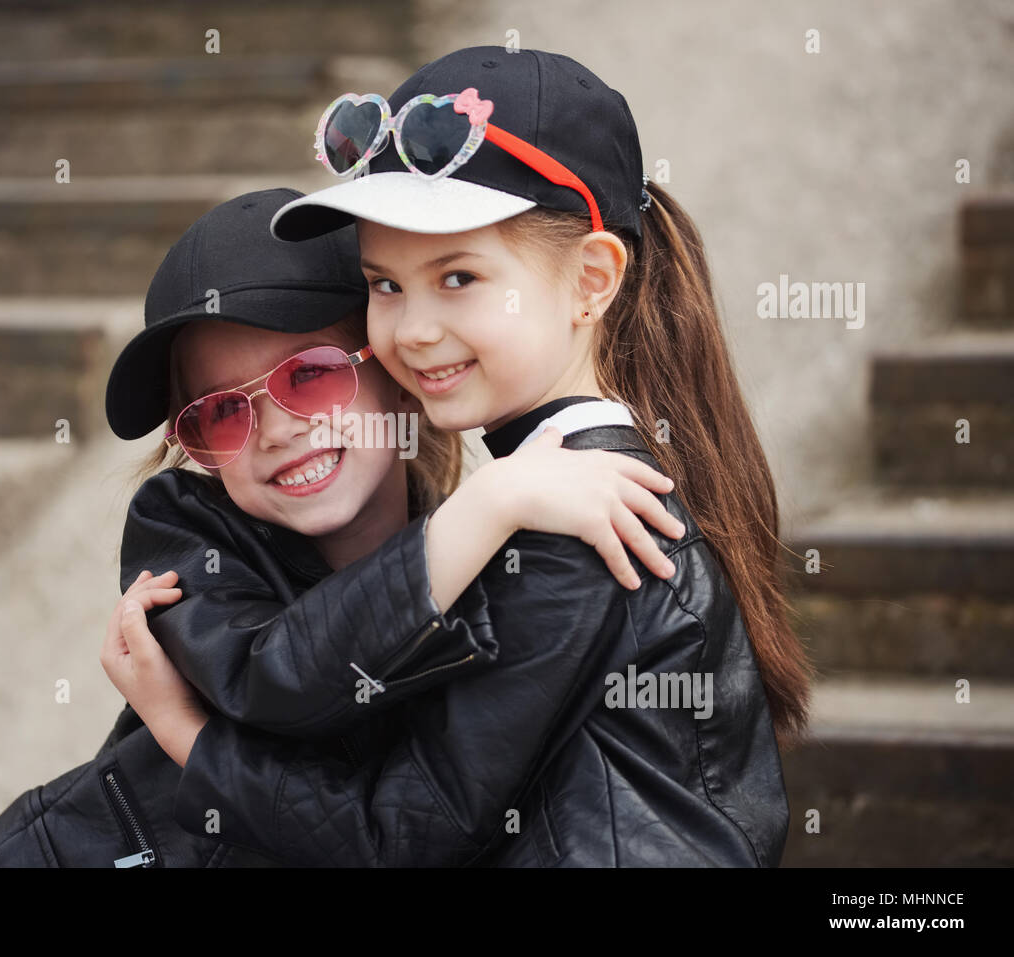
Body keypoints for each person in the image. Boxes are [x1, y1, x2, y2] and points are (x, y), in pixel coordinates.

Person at [118, 46, 812, 866]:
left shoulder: (570, 519)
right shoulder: (558, 481)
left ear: (592, 281)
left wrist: (186, 733)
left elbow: (396, 839)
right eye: (383, 284)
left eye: (457, 279)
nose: (412, 330)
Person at [0, 187, 681, 867]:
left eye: (311, 374)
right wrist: (491, 500)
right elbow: (283, 674)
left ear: (395, 367)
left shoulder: (487, 559)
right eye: (222, 412)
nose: (277, 430)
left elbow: (393, 832)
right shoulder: (185, 532)